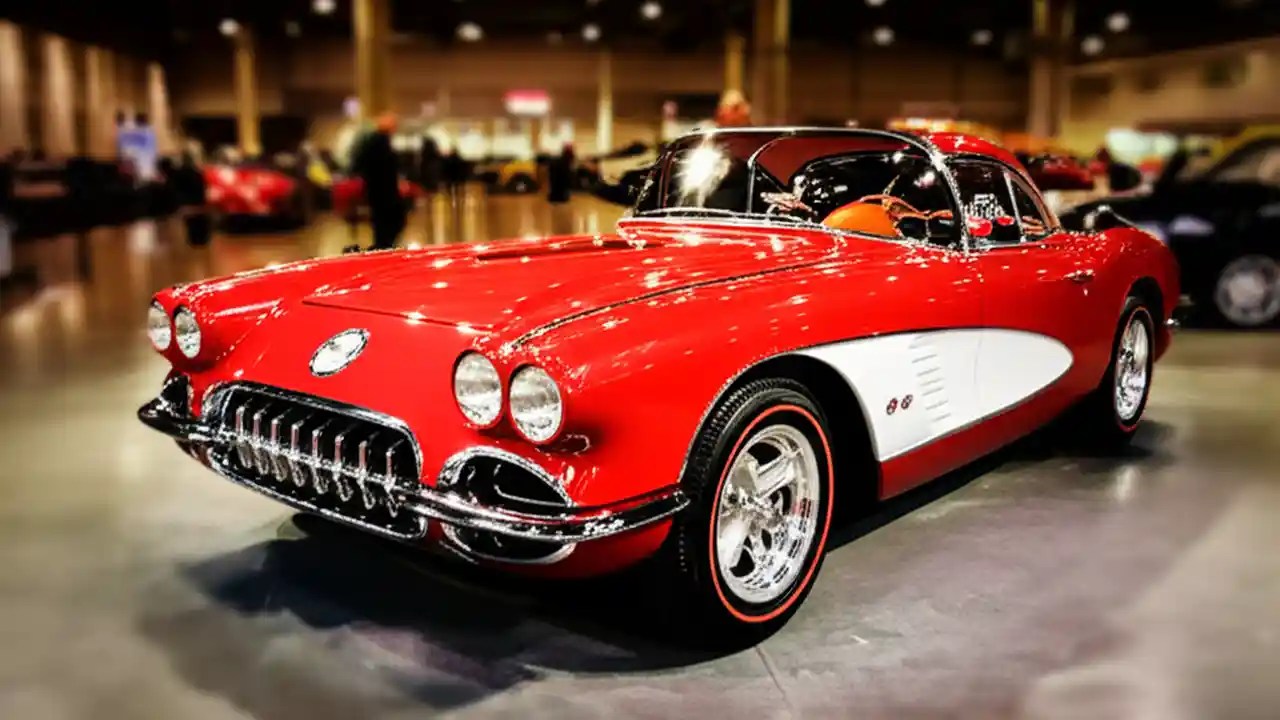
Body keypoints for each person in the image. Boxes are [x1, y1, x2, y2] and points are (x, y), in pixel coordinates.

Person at [350, 112, 407, 251]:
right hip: (383, 191)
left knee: (383, 222)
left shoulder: (376, 142)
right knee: (388, 221)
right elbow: (384, 168)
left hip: (378, 190)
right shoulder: (378, 142)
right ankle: (384, 247)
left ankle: (384, 245)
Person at [173, 151, 211, 246]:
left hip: (186, 204)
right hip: (199, 204)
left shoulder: (178, 174)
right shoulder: (198, 173)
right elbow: (203, 187)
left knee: (191, 226)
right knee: (199, 225)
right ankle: (201, 241)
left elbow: (176, 189)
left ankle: (193, 241)